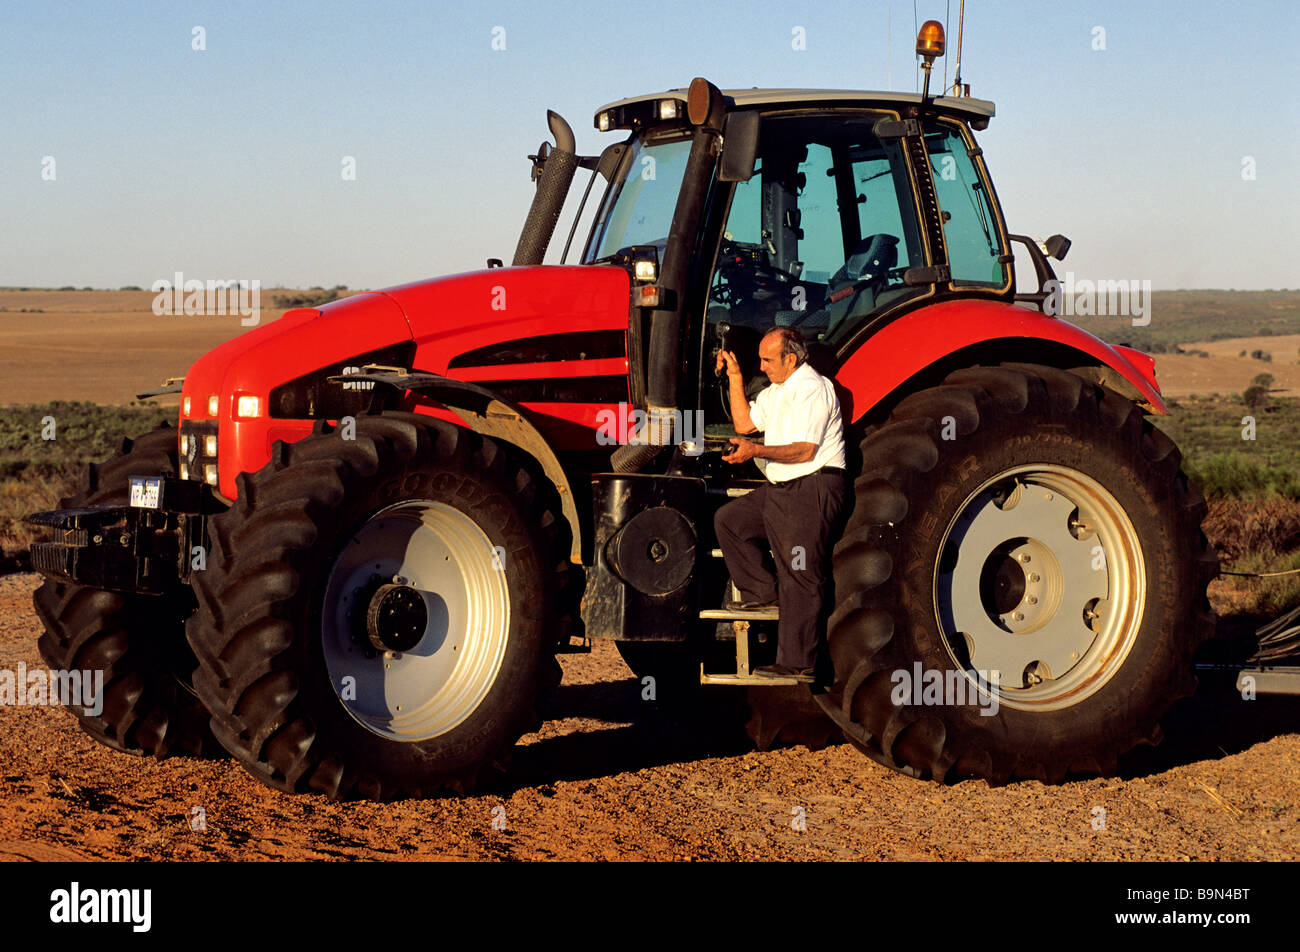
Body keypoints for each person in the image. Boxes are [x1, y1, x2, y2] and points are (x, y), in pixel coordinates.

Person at [713, 326, 846, 683]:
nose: (763, 365)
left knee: (800, 571)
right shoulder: (777, 391)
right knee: (731, 521)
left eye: (768, 360)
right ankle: (763, 593)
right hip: (782, 486)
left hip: (813, 485)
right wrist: (736, 377)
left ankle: (799, 663)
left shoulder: (813, 389)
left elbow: (805, 450)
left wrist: (754, 450)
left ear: (791, 358)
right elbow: (744, 423)